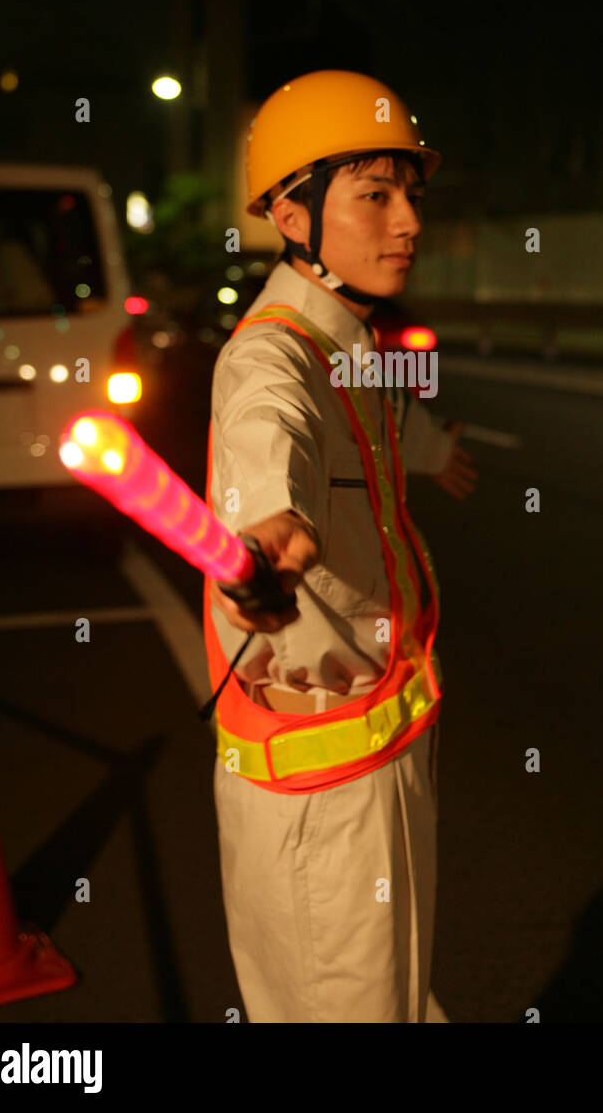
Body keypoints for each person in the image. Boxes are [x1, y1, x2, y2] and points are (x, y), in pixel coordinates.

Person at [203, 69, 478, 1023]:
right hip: (322, 801)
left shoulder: (344, 341)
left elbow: (382, 423)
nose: (407, 222)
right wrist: (272, 533)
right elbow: (264, 437)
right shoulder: (270, 357)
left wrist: (434, 453)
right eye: (374, 196)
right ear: (291, 213)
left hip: (378, 759)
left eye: (410, 195)